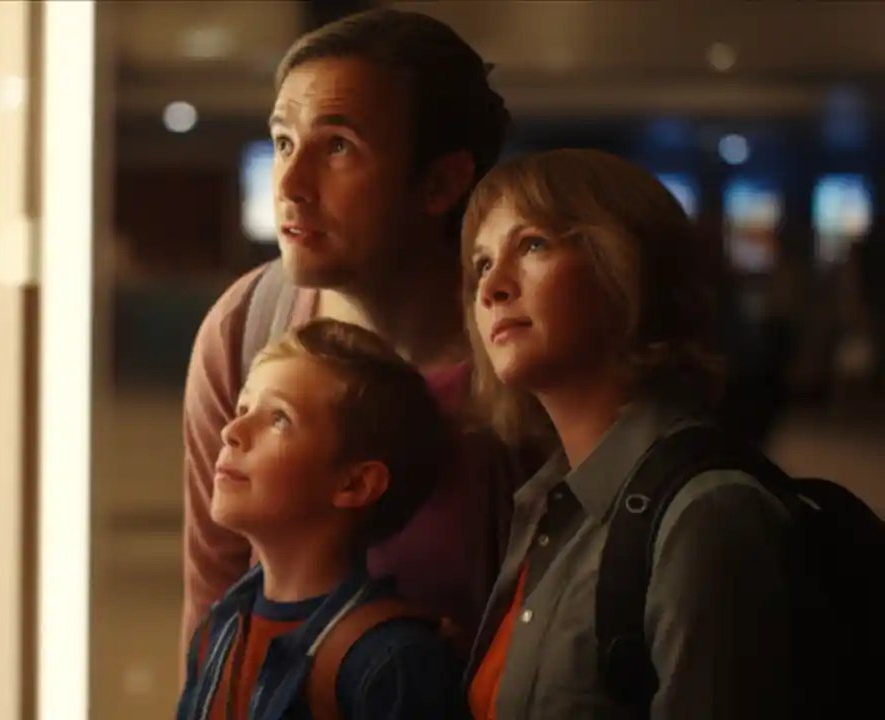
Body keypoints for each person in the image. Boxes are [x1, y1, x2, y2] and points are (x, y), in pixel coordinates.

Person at [181, 7, 527, 663]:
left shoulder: (523, 354)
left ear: (442, 181)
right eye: (284, 142)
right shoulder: (246, 328)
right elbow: (213, 602)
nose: (291, 185)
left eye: (338, 147)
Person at [460, 149, 798, 718]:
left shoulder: (706, 513)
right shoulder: (549, 500)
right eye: (481, 263)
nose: (492, 286)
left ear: (626, 264)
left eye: (533, 244)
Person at [177, 319, 463, 719]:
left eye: (279, 419)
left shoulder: (392, 661)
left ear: (355, 484)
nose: (233, 431)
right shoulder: (219, 630)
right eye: (243, 408)